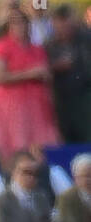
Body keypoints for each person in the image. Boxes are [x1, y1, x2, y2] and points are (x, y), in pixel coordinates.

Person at [0, 8, 61, 166]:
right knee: (16, 148)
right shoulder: (1, 46)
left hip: (37, 106)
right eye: (15, 22)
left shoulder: (37, 48)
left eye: (23, 22)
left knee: (43, 147)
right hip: (11, 106)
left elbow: (45, 72)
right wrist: (30, 73)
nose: (21, 26)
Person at [46, 4, 91, 143]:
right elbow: (43, 69)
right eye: (60, 25)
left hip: (85, 97)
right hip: (60, 101)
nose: (64, 29)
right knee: (65, 138)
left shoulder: (86, 40)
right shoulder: (49, 45)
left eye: (67, 24)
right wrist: (55, 66)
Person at [56, 152, 91, 222]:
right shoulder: (66, 198)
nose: (88, 180)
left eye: (90, 175)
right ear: (75, 178)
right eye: (84, 176)